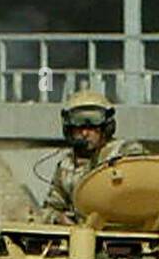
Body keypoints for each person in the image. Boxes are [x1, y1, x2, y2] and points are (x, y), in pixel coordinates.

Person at [42, 89, 146, 224]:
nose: (85, 133)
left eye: (92, 127)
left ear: (106, 128)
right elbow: (51, 207)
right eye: (78, 127)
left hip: (124, 233)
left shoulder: (125, 151)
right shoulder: (66, 166)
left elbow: (144, 179)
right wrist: (58, 218)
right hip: (83, 237)